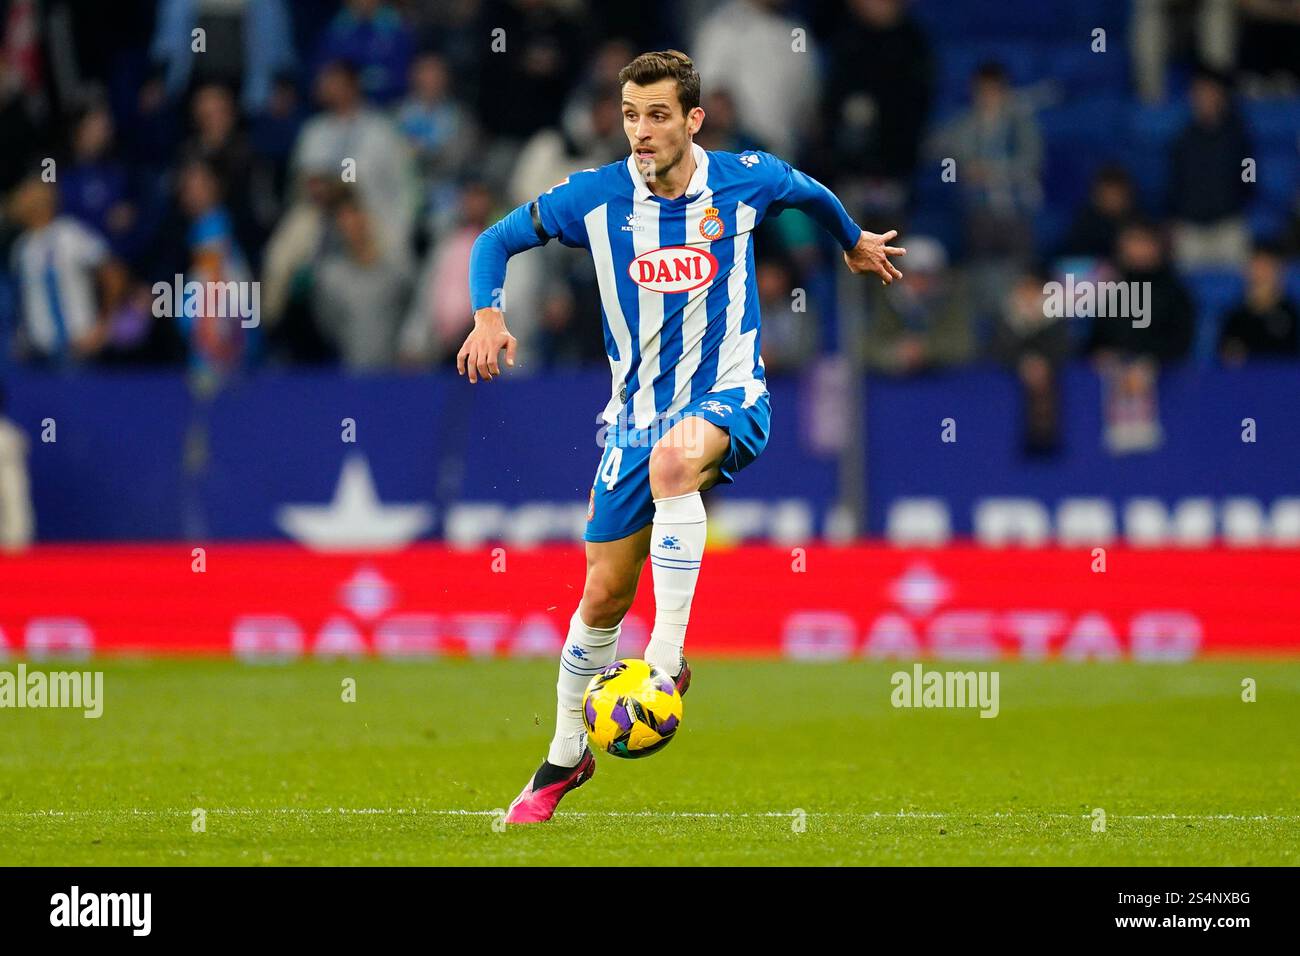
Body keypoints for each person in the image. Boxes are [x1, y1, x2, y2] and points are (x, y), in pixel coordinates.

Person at [460, 50, 905, 823]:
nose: (641, 131)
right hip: (632, 419)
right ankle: (563, 758)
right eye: (631, 115)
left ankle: (664, 666)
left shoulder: (743, 179)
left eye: (658, 114)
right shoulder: (593, 199)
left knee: (675, 464)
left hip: (730, 394)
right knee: (601, 595)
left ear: (693, 119)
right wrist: (489, 315)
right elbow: (492, 242)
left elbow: (808, 190)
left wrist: (852, 240)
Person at [1218, 243, 1300, 362]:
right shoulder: (1235, 316)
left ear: (1279, 272)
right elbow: (1227, 359)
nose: (1260, 274)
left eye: (1266, 267)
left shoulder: (1292, 313)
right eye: (1256, 267)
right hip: (1246, 379)